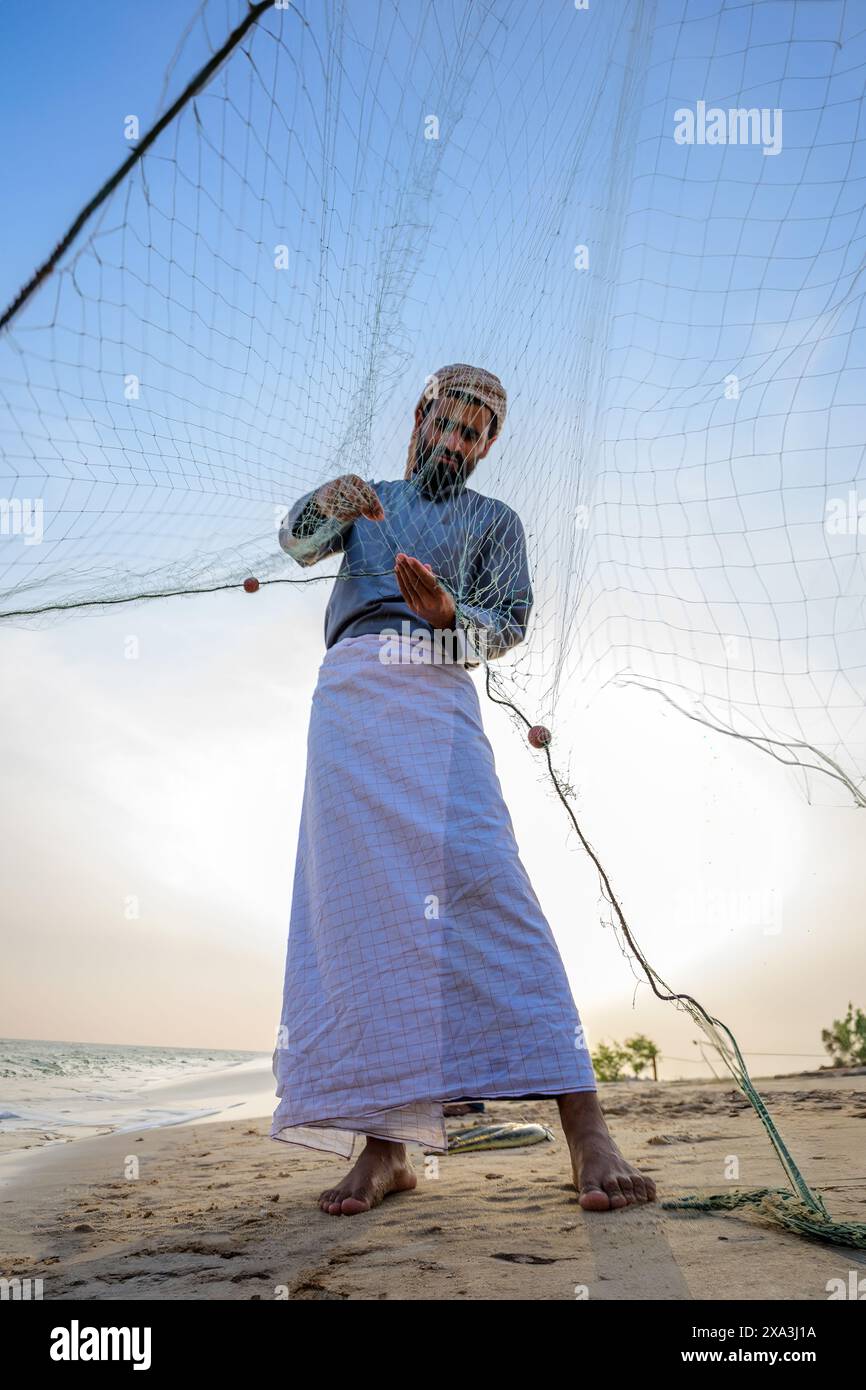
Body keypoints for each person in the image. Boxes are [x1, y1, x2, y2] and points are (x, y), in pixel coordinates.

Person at [271, 363, 657, 1217]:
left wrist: (451, 622)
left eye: (475, 432)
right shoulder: (367, 498)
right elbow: (295, 545)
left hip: (436, 690)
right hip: (349, 697)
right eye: (446, 422)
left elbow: (509, 625)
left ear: (490, 444)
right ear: (420, 417)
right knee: (367, 915)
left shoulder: (495, 522)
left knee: (489, 883)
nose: (456, 441)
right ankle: (386, 1150)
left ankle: (588, 1132)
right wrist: (321, 503)